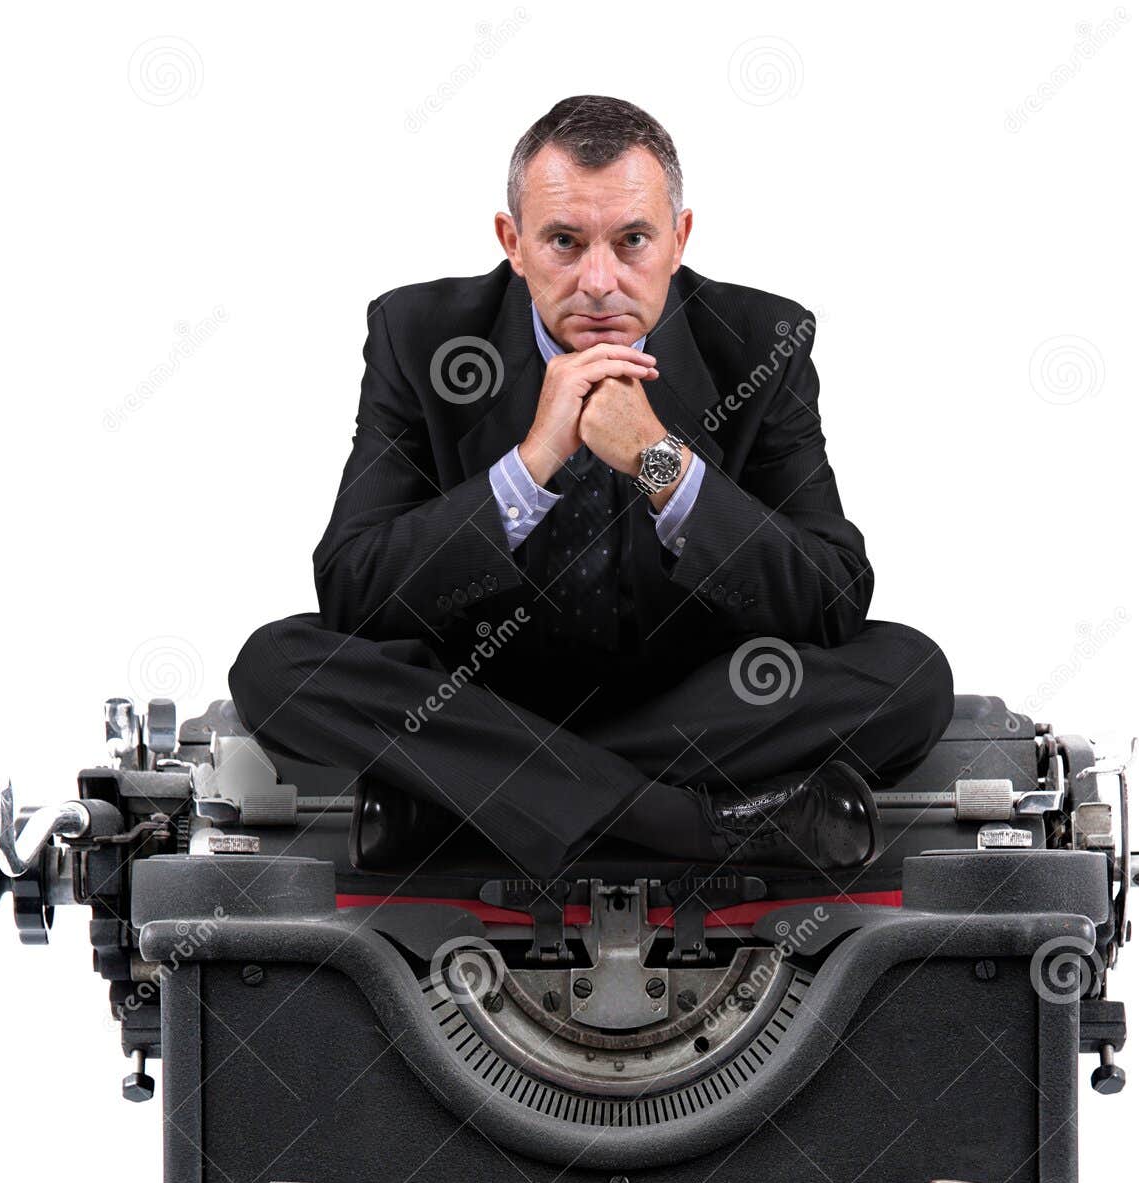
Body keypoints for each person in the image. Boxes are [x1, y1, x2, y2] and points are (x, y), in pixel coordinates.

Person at [230, 95, 953, 878]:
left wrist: (659, 462)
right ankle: (686, 824)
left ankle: (459, 801)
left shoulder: (759, 341)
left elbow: (829, 600)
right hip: (481, 694)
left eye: (632, 241)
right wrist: (531, 462)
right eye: (564, 243)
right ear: (513, 243)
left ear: (677, 240)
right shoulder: (420, 335)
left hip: (685, 706)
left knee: (909, 674)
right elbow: (354, 595)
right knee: (276, 666)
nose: (599, 282)